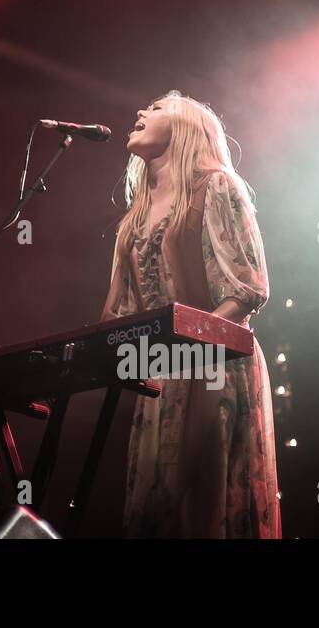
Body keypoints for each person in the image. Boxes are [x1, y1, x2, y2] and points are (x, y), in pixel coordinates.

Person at [99, 90, 281, 538]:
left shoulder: (217, 185)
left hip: (214, 365)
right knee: (153, 508)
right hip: (161, 376)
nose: (141, 110)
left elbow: (248, 286)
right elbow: (117, 313)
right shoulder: (133, 219)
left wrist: (186, 343)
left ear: (186, 128)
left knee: (202, 505)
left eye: (157, 107)